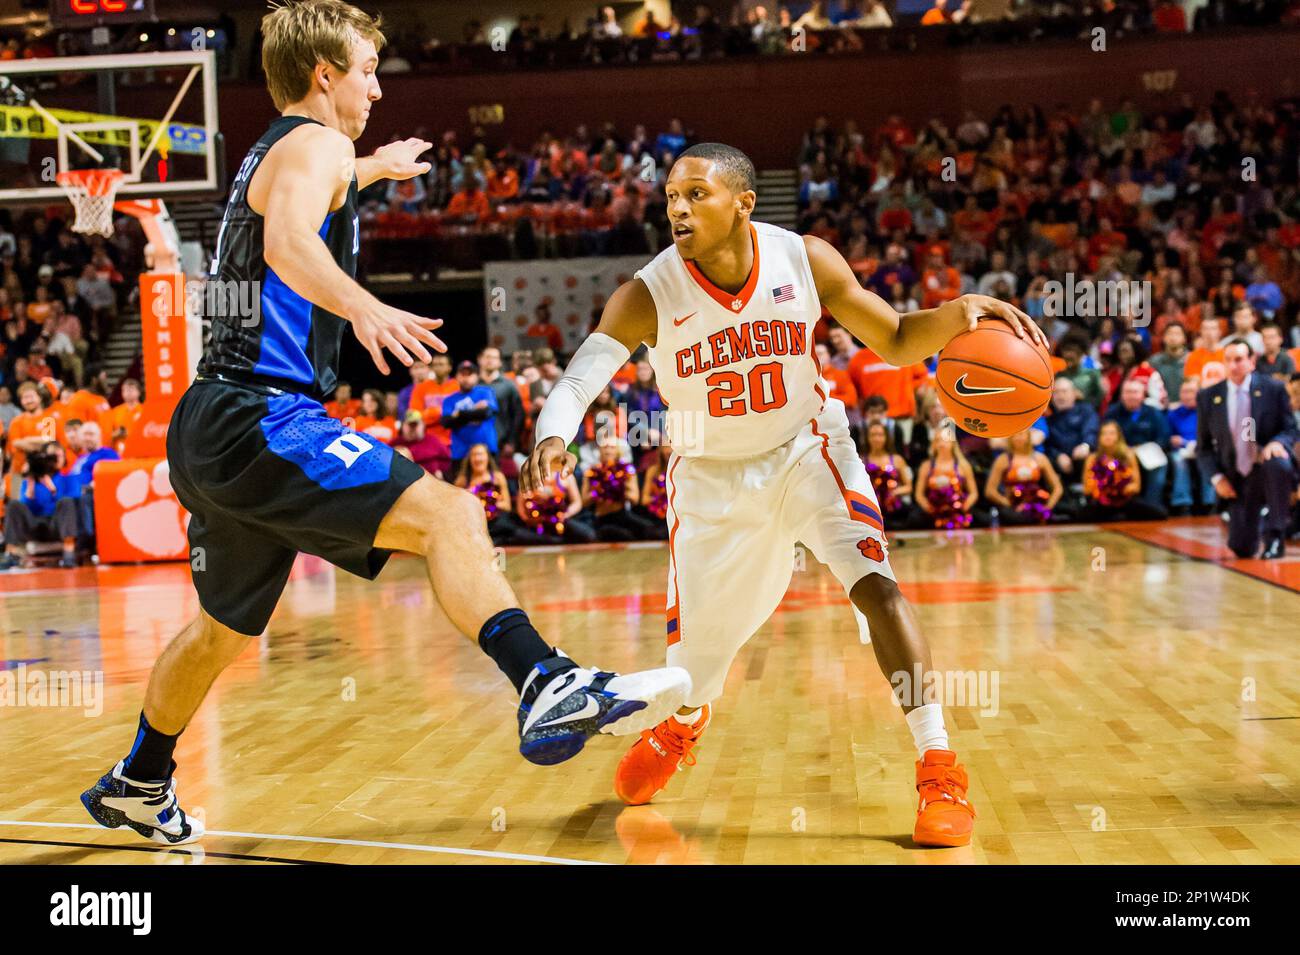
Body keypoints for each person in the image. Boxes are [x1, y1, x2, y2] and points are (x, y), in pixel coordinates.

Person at [79, 0, 688, 849]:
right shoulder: (315, 144)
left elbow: (306, 197)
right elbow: (292, 240)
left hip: (210, 424)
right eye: (366, 69)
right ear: (324, 76)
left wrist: (376, 167)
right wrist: (365, 306)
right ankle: (544, 679)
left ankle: (140, 779)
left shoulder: (290, 150)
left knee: (221, 629)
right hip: (263, 413)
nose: (376, 85)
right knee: (453, 514)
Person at [521, 142, 1046, 847]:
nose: (677, 208)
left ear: (743, 202)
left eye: (696, 194)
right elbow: (583, 376)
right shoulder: (650, 292)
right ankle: (685, 720)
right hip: (710, 482)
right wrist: (555, 432)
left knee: (878, 587)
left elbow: (891, 337)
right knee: (696, 669)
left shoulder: (806, 258)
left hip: (808, 448)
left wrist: (955, 316)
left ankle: (939, 766)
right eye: (671, 197)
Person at [1195, 342, 1298, 559]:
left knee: (1279, 463)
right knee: (1241, 547)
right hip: (1235, 474)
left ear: (1252, 361)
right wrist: (1216, 479)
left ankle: (1275, 537)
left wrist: (1278, 442)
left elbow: (1290, 428)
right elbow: (1203, 448)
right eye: (1229, 360)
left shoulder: (1273, 389)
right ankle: (1255, 523)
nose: (1233, 365)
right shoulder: (1208, 396)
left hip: (1263, 465)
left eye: (1239, 359)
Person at [0, 439, 79, 569]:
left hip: (57, 525)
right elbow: (26, 507)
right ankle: (11, 554)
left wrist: (52, 488)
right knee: (14, 504)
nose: (56, 459)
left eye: (59, 456)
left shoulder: (69, 478)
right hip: (35, 524)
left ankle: (69, 553)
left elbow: (73, 503)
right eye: (52, 456)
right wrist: (30, 490)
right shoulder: (31, 479)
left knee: (66, 501)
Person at [1080, 421, 1167, 522]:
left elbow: (1136, 486)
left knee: (1160, 513)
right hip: (1101, 502)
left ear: (1118, 436)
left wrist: (1120, 489)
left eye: (1112, 433)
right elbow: (1087, 489)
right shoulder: (1092, 458)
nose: (1108, 437)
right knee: (1081, 515)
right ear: (1099, 437)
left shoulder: (1128, 455)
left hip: (1125, 501)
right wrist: (1103, 488)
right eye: (1104, 433)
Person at [1104, 378, 1171, 507]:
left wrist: (1147, 448)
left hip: (1148, 453)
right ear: (1122, 395)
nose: (1131, 396)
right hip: (1120, 453)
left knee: (1159, 464)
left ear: (1143, 395)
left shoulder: (1153, 413)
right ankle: (1115, 505)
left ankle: (1152, 505)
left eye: (1135, 392)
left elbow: (1163, 437)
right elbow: (1105, 435)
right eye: (1127, 392)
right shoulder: (1112, 413)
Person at [455, 442, 529, 546]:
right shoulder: (462, 481)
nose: (478, 458)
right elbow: (456, 509)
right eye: (474, 455)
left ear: (487, 457)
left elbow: (507, 506)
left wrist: (490, 503)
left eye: (481, 454)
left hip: (496, 523)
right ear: (469, 459)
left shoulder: (497, 477)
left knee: (512, 532)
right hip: (473, 525)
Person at [984, 428, 1062, 525]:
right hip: (1012, 510)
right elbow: (990, 491)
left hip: (1036, 508)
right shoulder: (1003, 460)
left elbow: (1057, 488)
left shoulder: (1040, 459)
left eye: (1021, 434)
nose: (1018, 438)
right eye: (1014, 435)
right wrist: (1007, 504)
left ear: (1028, 436)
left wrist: (1048, 507)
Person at [441, 359, 498, 474]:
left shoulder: (485, 392)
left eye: (470, 374)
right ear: (456, 376)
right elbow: (446, 422)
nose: (466, 378)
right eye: (462, 374)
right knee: (460, 489)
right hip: (460, 452)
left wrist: (459, 414)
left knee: (491, 487)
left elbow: (486, 413)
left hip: (486, 450)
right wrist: (474, 412)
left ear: (477, 376)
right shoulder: (449, 399)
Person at [1041, 378, 1098, 485]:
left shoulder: (1086, 410)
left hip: (1083, 458)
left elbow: (1091, 430)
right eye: (1056, 392)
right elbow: (1048, 444)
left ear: (1074, 394)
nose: (1060, 396)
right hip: (1060, 464)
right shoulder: (1049, 418)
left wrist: (1086, 445)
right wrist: (1058, 456)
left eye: (1064, 391)